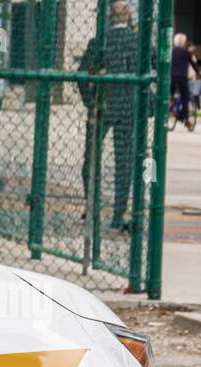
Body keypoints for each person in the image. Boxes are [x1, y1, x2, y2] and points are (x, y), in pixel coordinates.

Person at [79, 1, 138, 231]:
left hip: (102, 105)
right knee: (123, 163)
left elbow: (81, 74)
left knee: (91, 158)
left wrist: (90, 101)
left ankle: (92, 207)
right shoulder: (136, 43)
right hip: (128, 108)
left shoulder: (99, 42)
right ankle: (117, 216)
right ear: (129, 17)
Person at [171, 33, 200, 122]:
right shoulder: (186, 52)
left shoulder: (171, 51)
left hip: (172, 77)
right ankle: (186, 119)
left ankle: (171, 105)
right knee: (185, 97)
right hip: (182, 78)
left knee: (170, 93)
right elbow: (193, 64)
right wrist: (198, 73)